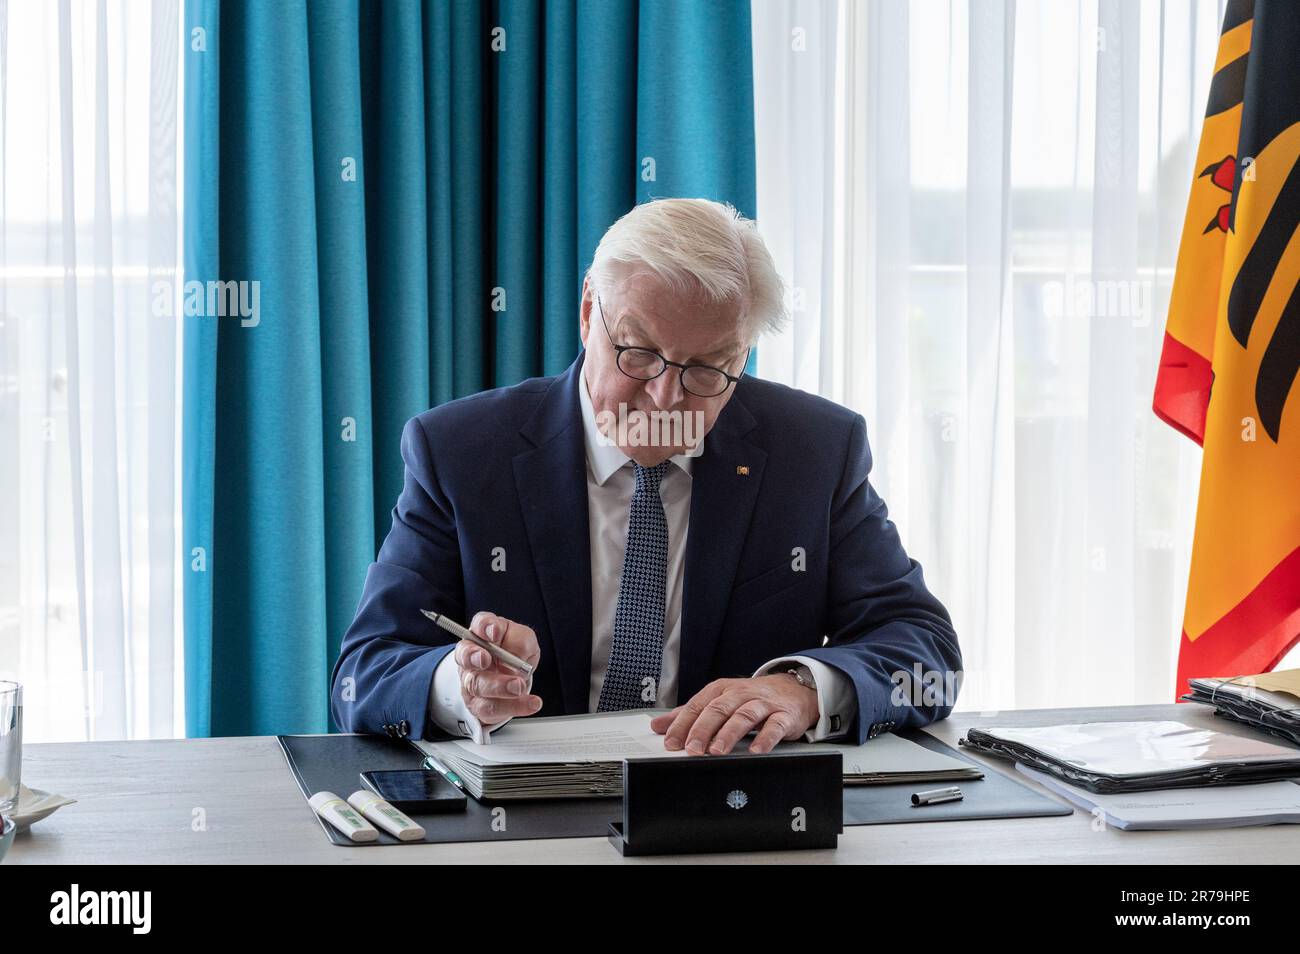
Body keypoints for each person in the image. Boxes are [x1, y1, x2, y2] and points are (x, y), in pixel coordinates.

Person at [330, 197, 961, 755]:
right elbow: (365, 674)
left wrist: (801, 690)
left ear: (743, 355)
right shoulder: (462, 451)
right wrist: (460, 684)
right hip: (523, 827)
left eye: (708, 370)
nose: (664, 400)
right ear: (588, 314)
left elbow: (925, 650)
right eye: (639, 354)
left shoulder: (816, 450)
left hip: (732, 814)